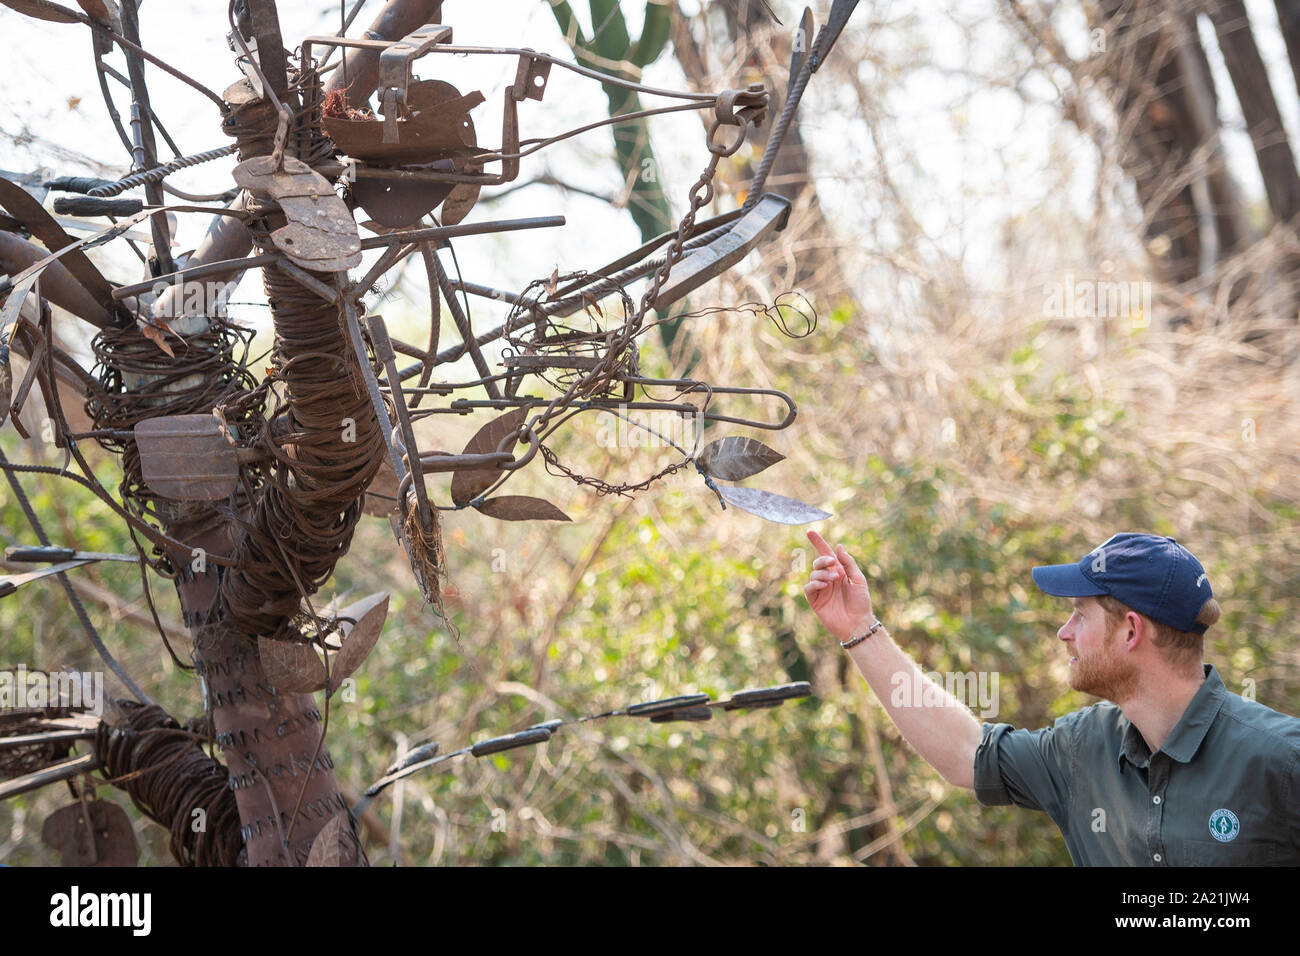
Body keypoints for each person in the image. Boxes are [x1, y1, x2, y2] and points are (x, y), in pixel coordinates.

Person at [803, 529, 1300, 865]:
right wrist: (859, 629)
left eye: (1080, 615)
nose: (1064, 632)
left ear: (1130, 631)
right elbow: (961, 752)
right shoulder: (1083, 747)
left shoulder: (1280, 759)